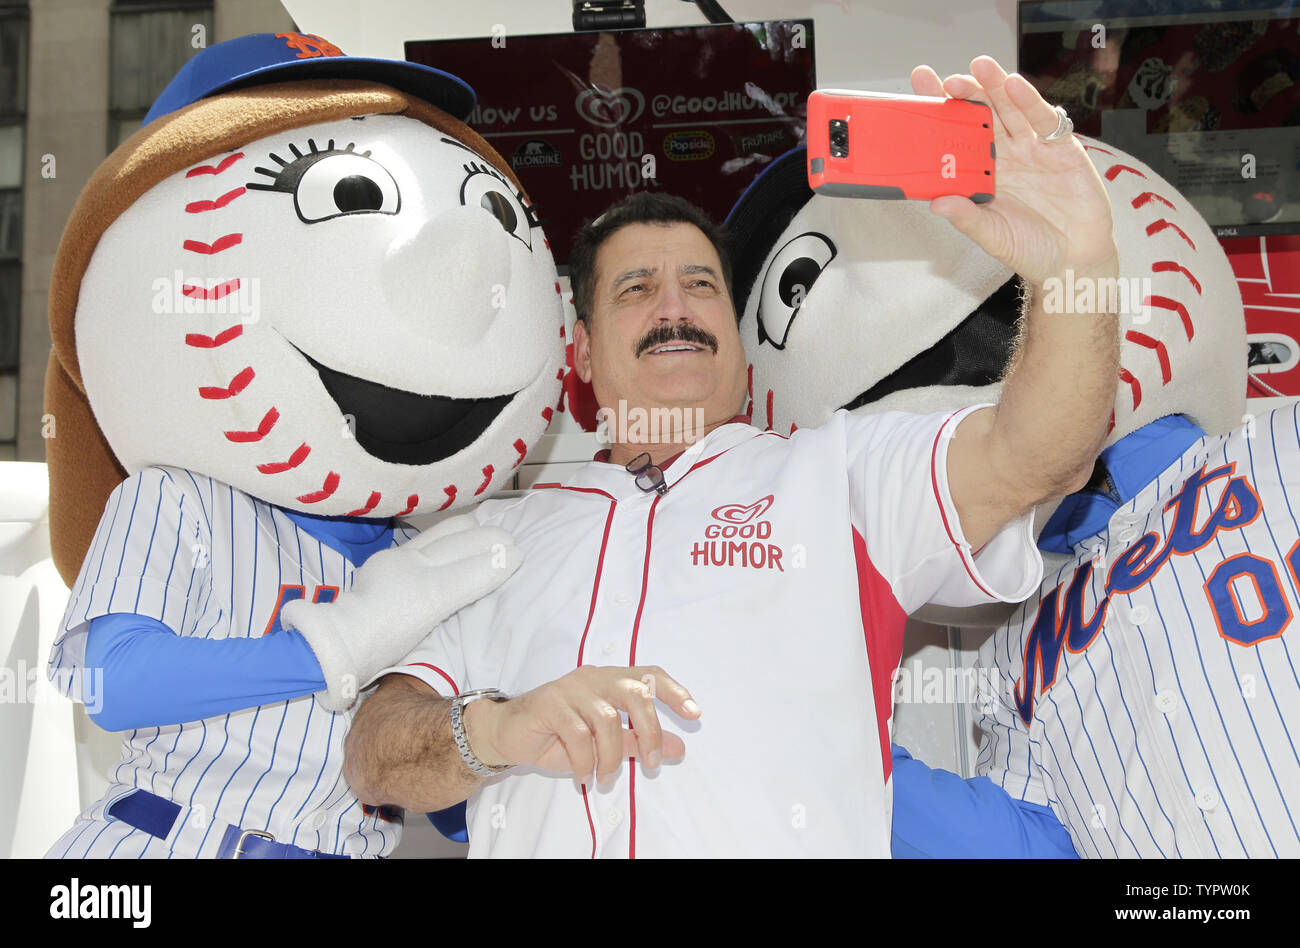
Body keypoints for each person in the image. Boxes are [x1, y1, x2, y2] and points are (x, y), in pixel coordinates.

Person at [343, 56, 1121, 857]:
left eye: (703, 285)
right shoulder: (497, 541)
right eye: (636, 288)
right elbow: (375, 755)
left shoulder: (841, 477)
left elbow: (1041, 455)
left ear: (744, 350)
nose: (674, 307)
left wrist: (1074, 266)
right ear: (580, 352)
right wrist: (496, 728)